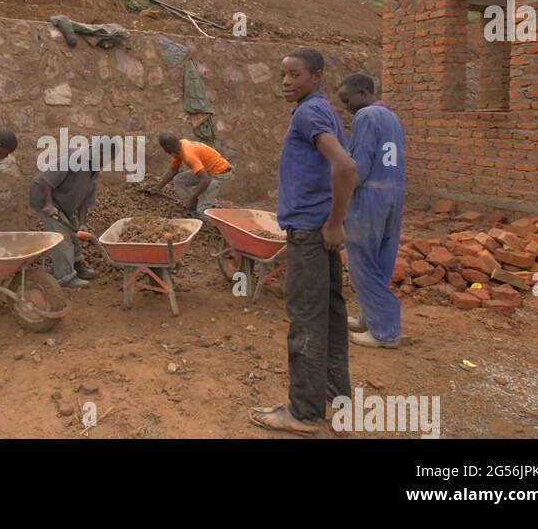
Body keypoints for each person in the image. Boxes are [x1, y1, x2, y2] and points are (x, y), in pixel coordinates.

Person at [249, 48, 358, 435]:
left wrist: (334, 224)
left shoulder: (309, 114)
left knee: (305, 321)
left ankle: (304, 411)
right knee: (329, 316)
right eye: (283, 75)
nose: (286, 82)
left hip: (310, 234)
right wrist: (333, 224)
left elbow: (345, 166)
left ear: (317, 77)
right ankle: (334, 398)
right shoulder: (322, 110)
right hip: (319, 231)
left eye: (295, 74)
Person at [338, 74, 406, 349]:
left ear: (363, 93)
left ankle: (386, 332)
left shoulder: (365, 116)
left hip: (370, 197)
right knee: (381, 261)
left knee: (362, 261)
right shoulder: (392, 118)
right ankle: (371, 318)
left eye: (347, 99)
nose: (345, 106)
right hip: (394, 193)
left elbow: (358, 166)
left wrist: (340, 198)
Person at [30, 141, 115, 288]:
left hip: (64, 202)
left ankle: (78, 267)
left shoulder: (94, 169)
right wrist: (49, 205)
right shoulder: (75, 157)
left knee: (75, 231)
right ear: (99, 152)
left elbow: (84, 202)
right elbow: (47, 180)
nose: (108, 163)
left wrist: (82, 224)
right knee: (61, 237)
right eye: (108, 159)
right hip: (46, 197)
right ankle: (65, 277)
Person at [150, 132, 232, 220]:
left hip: (220, 172)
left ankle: (216, 228)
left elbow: (205, 179)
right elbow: (173, 171)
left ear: (167, 147)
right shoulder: (177, 149)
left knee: (202, 211)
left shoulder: (188, 154)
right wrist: (158, 188)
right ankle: (192, 210)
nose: (164, 151)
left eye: (163, 148)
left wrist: (193, 197)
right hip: (207, 171)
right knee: (179, 180)